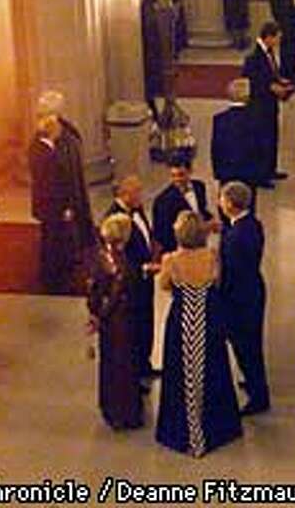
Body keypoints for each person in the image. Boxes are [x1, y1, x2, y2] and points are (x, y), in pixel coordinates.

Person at [156, 210, 242, 457]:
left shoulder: (170, 260)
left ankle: (182, 430)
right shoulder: (212, 257)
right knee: (213, 366)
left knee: (181, 371)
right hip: (208, 317)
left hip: (182, 318)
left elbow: (164, 286)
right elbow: (217, 283)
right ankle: (216, 427)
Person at [29, 90, 93, 294]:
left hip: (66, 200)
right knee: (52, 239)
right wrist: (64, 207)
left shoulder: (65, 137)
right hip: (52, 206)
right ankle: (52, 276)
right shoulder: (38, 150)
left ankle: (67, 264)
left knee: (63, 238)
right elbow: (47, 184)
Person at [217, 182, 270, 416]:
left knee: (246, 347)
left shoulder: (236, 236)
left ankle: (258, 395)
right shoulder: (251, 224)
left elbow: (232, 272)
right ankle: (254, 383)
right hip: (252, 291)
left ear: (230, 203)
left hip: (240, 298)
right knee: (250, 344)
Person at [87, 214, 144, 430]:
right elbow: (123, 292)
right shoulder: (125, 265)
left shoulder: (100, 257)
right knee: (125, 366)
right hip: (124, 321)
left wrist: (95, 314)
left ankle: (110, 409)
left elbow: (93, 291)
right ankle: (127, 412)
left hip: (108, 324)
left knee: (109, 364)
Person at [104, 176, 157, 379]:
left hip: (144, 281)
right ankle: (135, 373)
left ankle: (145, 364)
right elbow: (118, 261)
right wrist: (143, 267)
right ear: (124, 194)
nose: (141, 196)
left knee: (146, 324)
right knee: (135, 329)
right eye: (137, 192)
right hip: (131, 286)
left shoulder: (137, 209)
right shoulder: (114, 220)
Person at [242, 22, 295, 186]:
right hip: (259, 105)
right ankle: (261, 175)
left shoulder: (269, 53)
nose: (279, 41)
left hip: (270, 104)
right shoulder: (253, 56)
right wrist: (271, 87)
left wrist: (280, 81)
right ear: (269, 37)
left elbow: (270, 74)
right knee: (262, 139)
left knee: (272, 136)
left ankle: (270, 169)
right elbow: (252, 80)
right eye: (277, 37)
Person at [151, 153, 216, 254]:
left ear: (190, 171)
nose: (177, 180)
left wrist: (212, 220)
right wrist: (201, 228)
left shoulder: (199, 187)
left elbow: (200, 210)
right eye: (173, 176)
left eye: (181, 175)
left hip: (201, 247)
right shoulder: (163, 201)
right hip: (178, 252)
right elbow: (163, 235)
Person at [211, 78, 258, 192]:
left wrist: (217, 172)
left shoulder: (219, 119)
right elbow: (261, 148)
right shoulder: (256, 120)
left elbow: (216, 148)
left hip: (226, 172)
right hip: (249, 172)